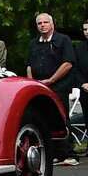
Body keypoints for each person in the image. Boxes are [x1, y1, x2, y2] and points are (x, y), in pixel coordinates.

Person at [27, 12, 77, 166]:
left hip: (58, 86)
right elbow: (29, 64)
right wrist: (31, 83)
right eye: (39, 23)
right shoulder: (33, 43)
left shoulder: (63, 40)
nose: (42, 25)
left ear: (52, 24)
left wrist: (51, 80)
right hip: (38, 87)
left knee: (61, 118)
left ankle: (69, 153)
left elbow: (68, 63)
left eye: (45, 22)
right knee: (44, 120)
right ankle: (54, 153)